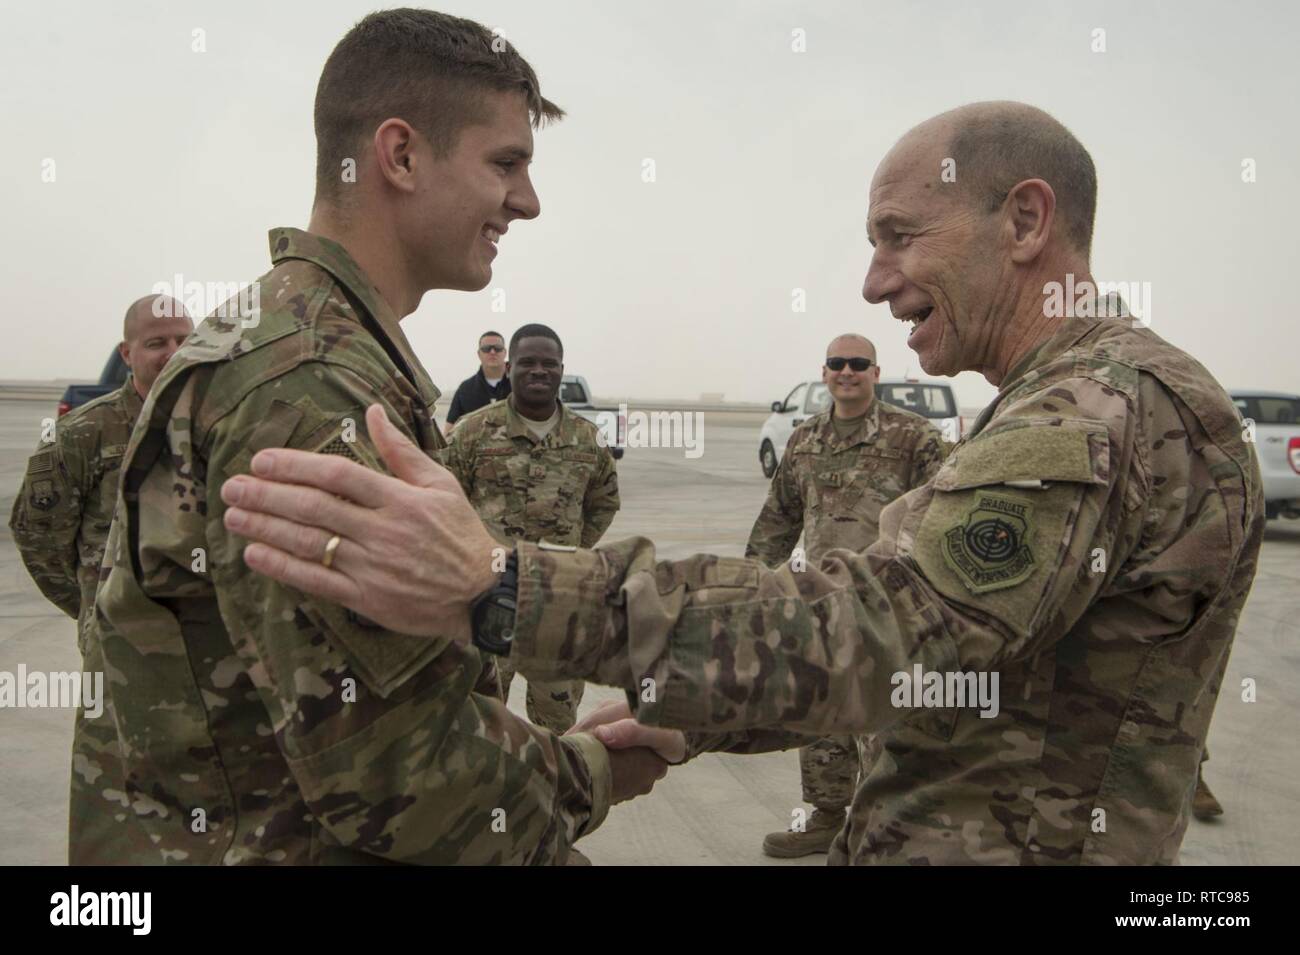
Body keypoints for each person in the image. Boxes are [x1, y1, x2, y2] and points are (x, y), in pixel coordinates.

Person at [220, 101, 1264, 865]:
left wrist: (502, 587)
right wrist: (686, 722)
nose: (872, 281)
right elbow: (930, 666)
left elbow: (874, 628)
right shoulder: (1067, 402)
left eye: (900, 237)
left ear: (1026, 222)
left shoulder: (1099, 410)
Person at [93, 9, 665, 866]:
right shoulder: (308, 383)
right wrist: (594, 768)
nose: (529, 201)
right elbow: (400, 783)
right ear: (399, 155)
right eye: (505, 163)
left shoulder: (297, 338)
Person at [747, 334, 946, 857]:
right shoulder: (806, 438)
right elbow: (779, 517)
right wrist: (753, 587)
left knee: (886, 724)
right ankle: (827, 817)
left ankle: (880, 831)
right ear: (825, 372)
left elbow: (941, 518)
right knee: (821, 716)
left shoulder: (915, 439)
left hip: (889, 607)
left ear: (876, 373)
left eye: (858, 364)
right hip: (818, 604)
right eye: (837, 364)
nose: (847, 372)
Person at [10, 294, 192, 864]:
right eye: (155, 342)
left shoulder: (215, 426)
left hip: (204, 649)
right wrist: (92, 604)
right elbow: (37, 533)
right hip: (117, 654)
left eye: (182, 340)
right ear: (127, 352)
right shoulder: (85, 433)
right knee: (114, 799)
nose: (171, 353)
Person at [440, 323, 619, 734]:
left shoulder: (587, 440)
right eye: (528, 362)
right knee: (478, 721)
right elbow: (445, 499)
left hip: (557, 604)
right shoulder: (472, 433)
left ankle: (554, 797)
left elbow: (604, 501)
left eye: (549, 363)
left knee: (556, 726)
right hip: (486, 600)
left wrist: (570, 548)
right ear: (509, 368)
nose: (539, 370)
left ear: (560, 369)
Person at [445, 331, 511, 428]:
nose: (492, 352)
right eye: (486, 349)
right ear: (479, 354)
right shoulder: (466, 389)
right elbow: (449, 428)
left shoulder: (520, 385)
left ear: (505, 352)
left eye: (497, 348)